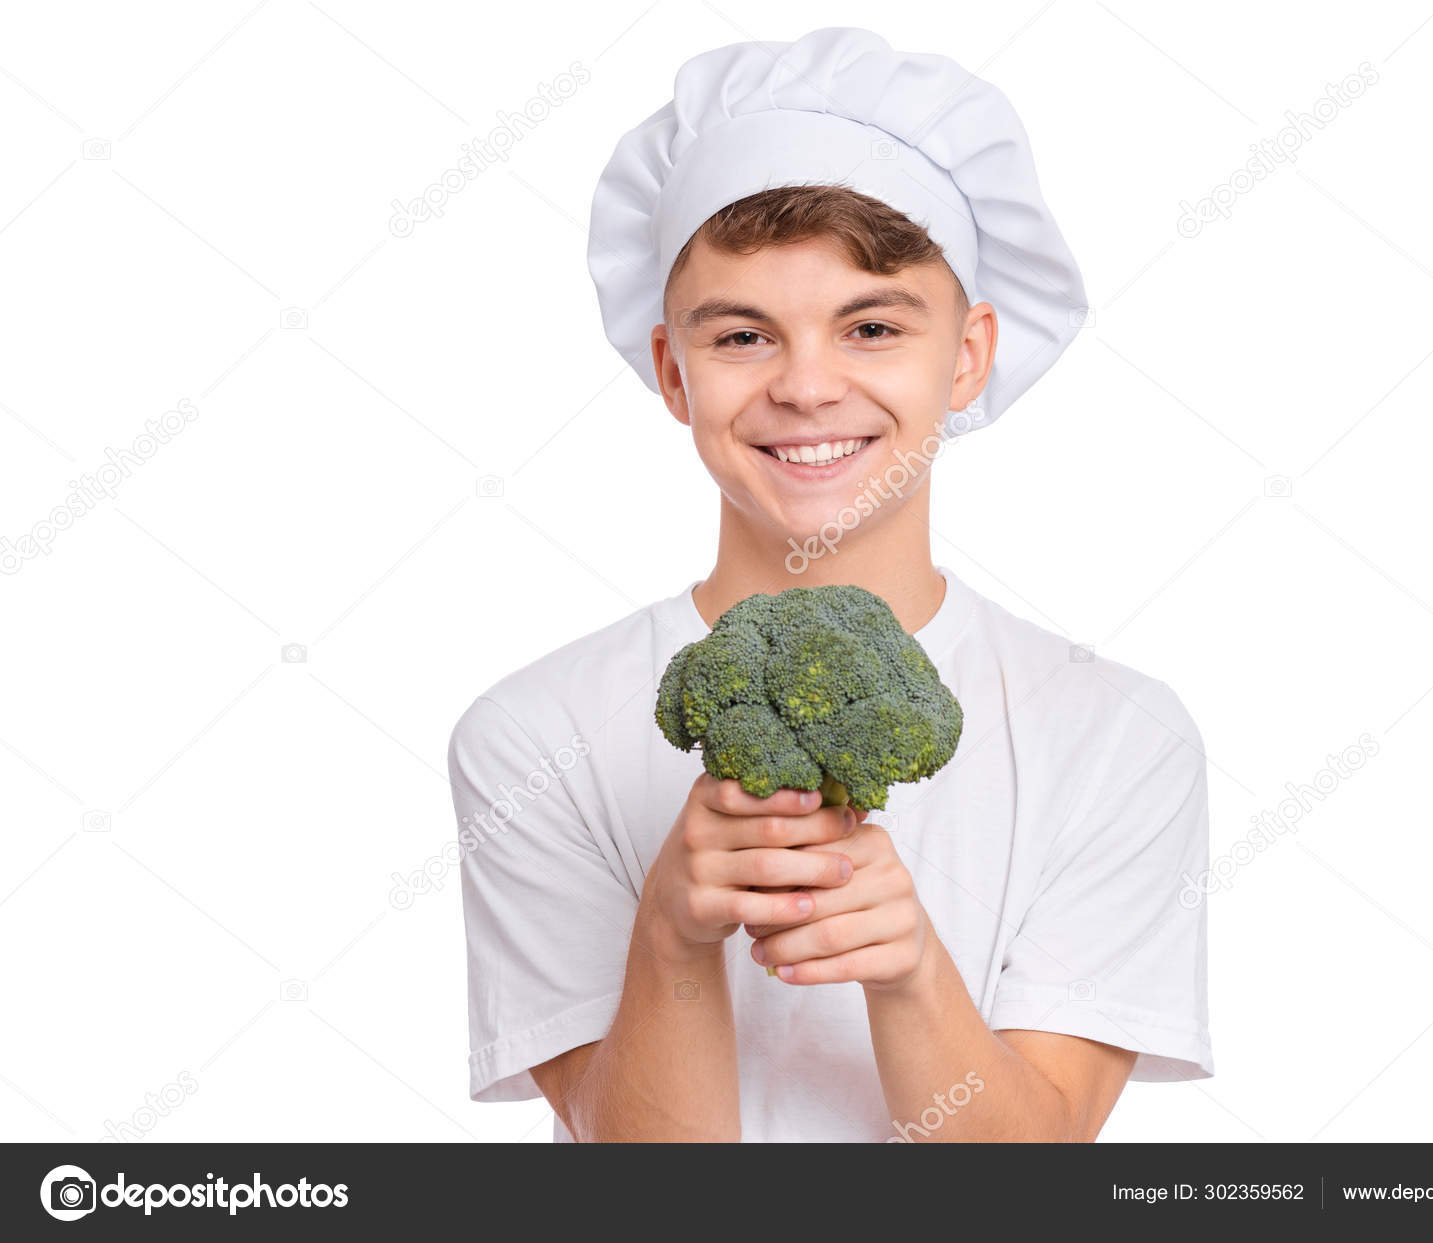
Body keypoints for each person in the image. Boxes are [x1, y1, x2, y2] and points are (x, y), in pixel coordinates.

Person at [448, 26, 1213, 1142]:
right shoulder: (533, 735)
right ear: (671, 368)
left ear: (966, 353)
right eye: (744, 335)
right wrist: (672, 931)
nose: (808, 387)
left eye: (870, 326)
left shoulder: (1117, 734)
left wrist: (907, 973)